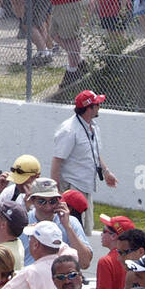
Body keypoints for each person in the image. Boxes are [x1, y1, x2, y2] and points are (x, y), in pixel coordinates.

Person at [51, 90, 116, 233]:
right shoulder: (69, 130)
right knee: (71, 230)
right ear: (89, 108)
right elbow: (57, 161)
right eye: (97, 104)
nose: (99, 107)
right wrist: (56, 192)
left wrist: (106, 172)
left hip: (86, 186)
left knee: (85, 229)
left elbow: (95, 154)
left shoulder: (93, 127)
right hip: (72, 187)